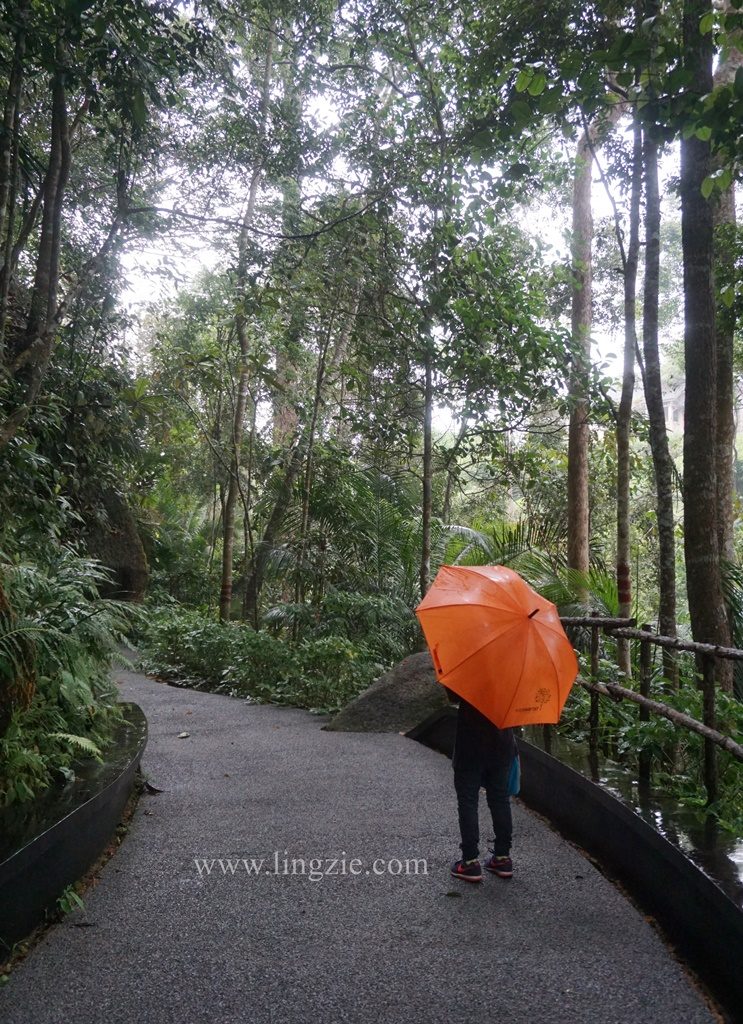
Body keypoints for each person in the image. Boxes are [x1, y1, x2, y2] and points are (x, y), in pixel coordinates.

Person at [448, 691, 517, 883]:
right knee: (500, 799)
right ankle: (502, 858)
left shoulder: (468, 673)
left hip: (471, 745)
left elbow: (453, 696)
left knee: (468, 802)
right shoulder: (511, 675)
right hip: (502, 743)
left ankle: (470, 862)